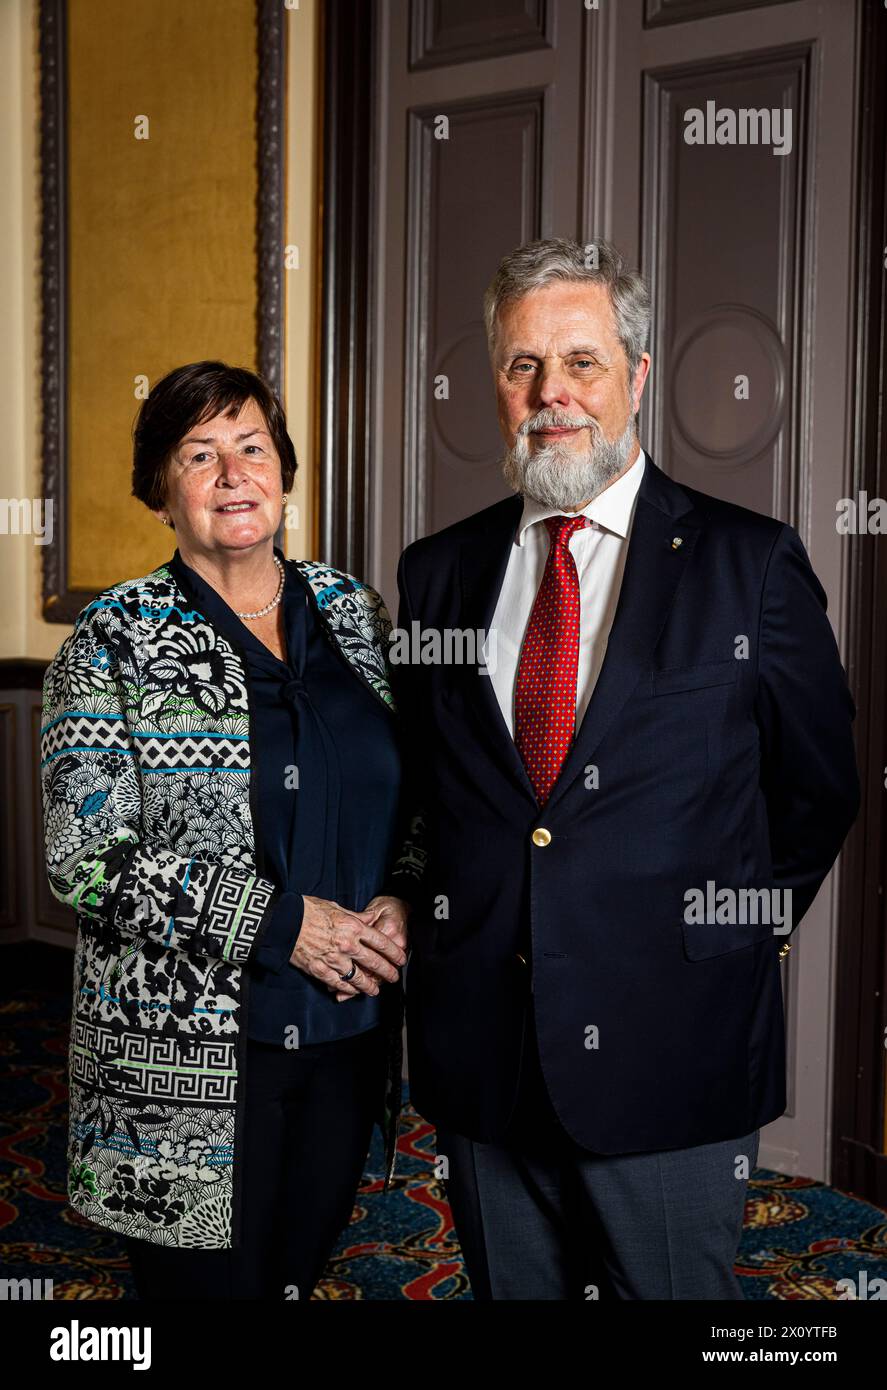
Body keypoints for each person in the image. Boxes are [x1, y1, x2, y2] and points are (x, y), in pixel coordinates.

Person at [394, 238, 861, 1299]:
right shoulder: (438, 572)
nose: (550, 393)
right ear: (494, 384)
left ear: (636, 376)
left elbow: (816, 784)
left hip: (671, 1043)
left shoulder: (749, 563)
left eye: (581, 361)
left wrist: (727, 928)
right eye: (521, 366)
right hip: (484, 1047)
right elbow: (439, 787)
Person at [40, 360, 414, 1299]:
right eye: (198, 455)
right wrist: (284, 925)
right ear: (162, 492)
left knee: (296, 1274)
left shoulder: (355, 613)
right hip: (189, 1059)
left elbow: (418, 800)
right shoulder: (112, 636)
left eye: (251, 448)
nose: (231, 473)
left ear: (284, 472)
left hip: (347, 1029)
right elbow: (85, 858)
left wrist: (404, 897)